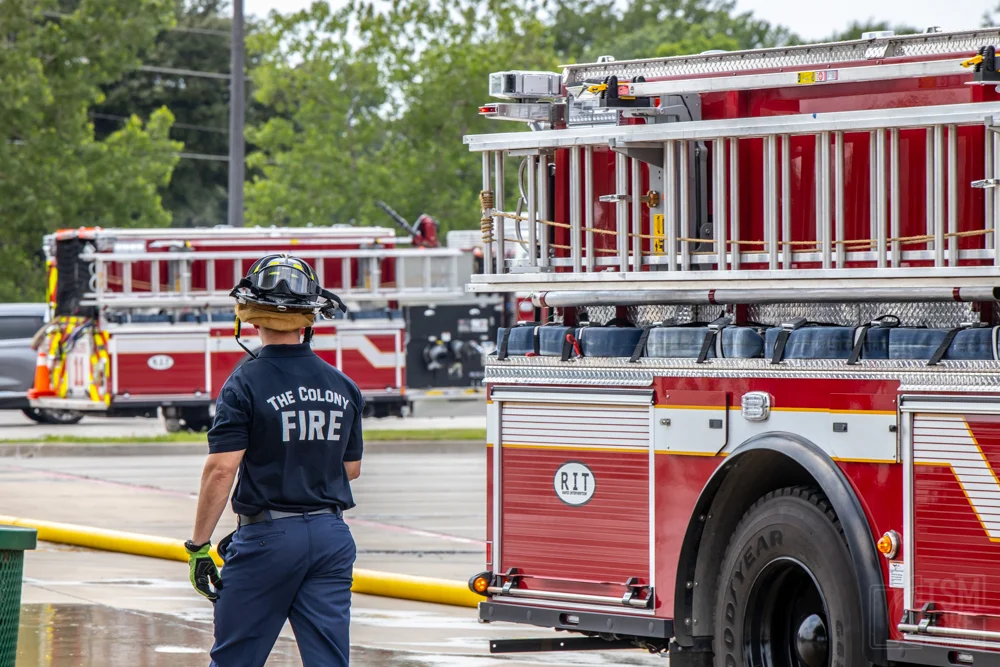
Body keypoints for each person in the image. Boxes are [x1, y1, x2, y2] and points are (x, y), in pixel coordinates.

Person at [184, 254, 362, 667]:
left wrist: (198, 546)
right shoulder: (343, 385)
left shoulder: (244, 383)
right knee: (329, 661)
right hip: (331, 537)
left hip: (267, 539)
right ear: (309, 320)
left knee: (236, 658)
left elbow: (221, 470)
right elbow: (350, 469)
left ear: (249, 317)